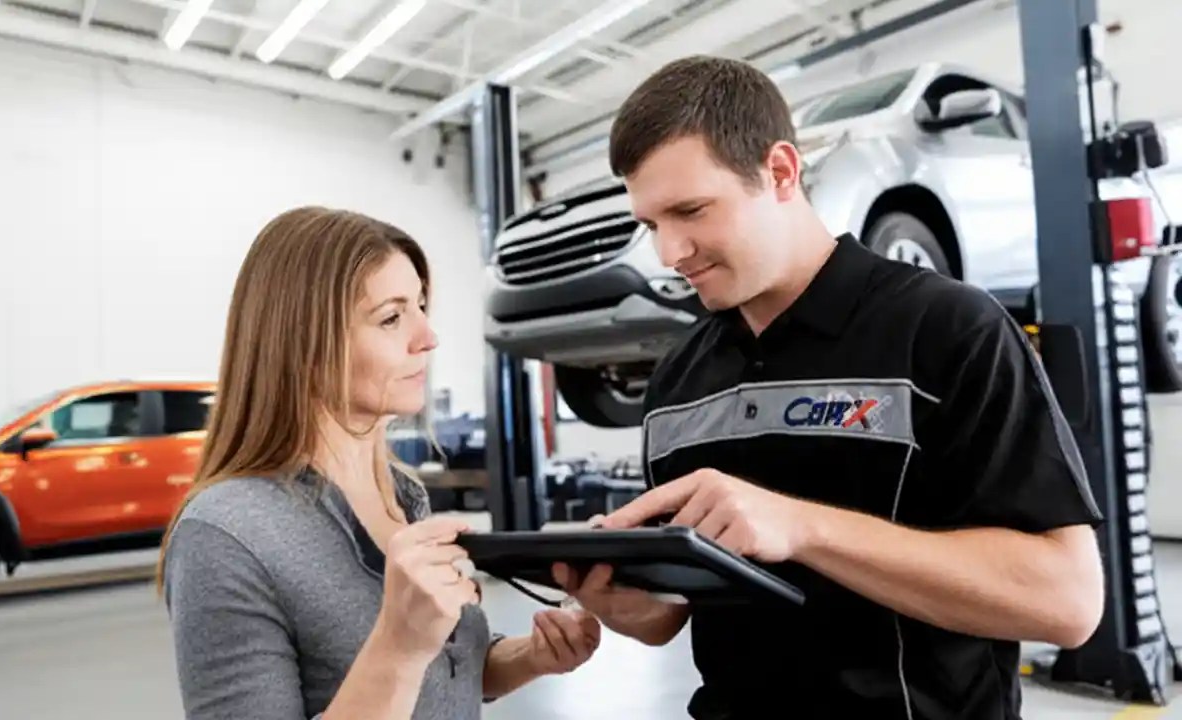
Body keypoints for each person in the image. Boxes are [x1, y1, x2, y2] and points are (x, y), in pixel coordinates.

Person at [552, 56, 1106, 720]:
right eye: (651, 225)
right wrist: (628, 601)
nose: (670, 252)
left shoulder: (947, 330)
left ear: (781, 171)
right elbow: (677, 614)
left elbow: (1068, 603)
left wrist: (802, 526)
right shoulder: (679, 377)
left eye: (692, 210)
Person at [157, 207, 601, 720]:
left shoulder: (400, 492)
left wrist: (529, 657)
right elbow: (406, 658)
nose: (428, 337)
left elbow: (442, 674)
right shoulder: (226, 533)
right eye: (392, 318)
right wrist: (399, 645)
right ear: (305, 346)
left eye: (420, 307)